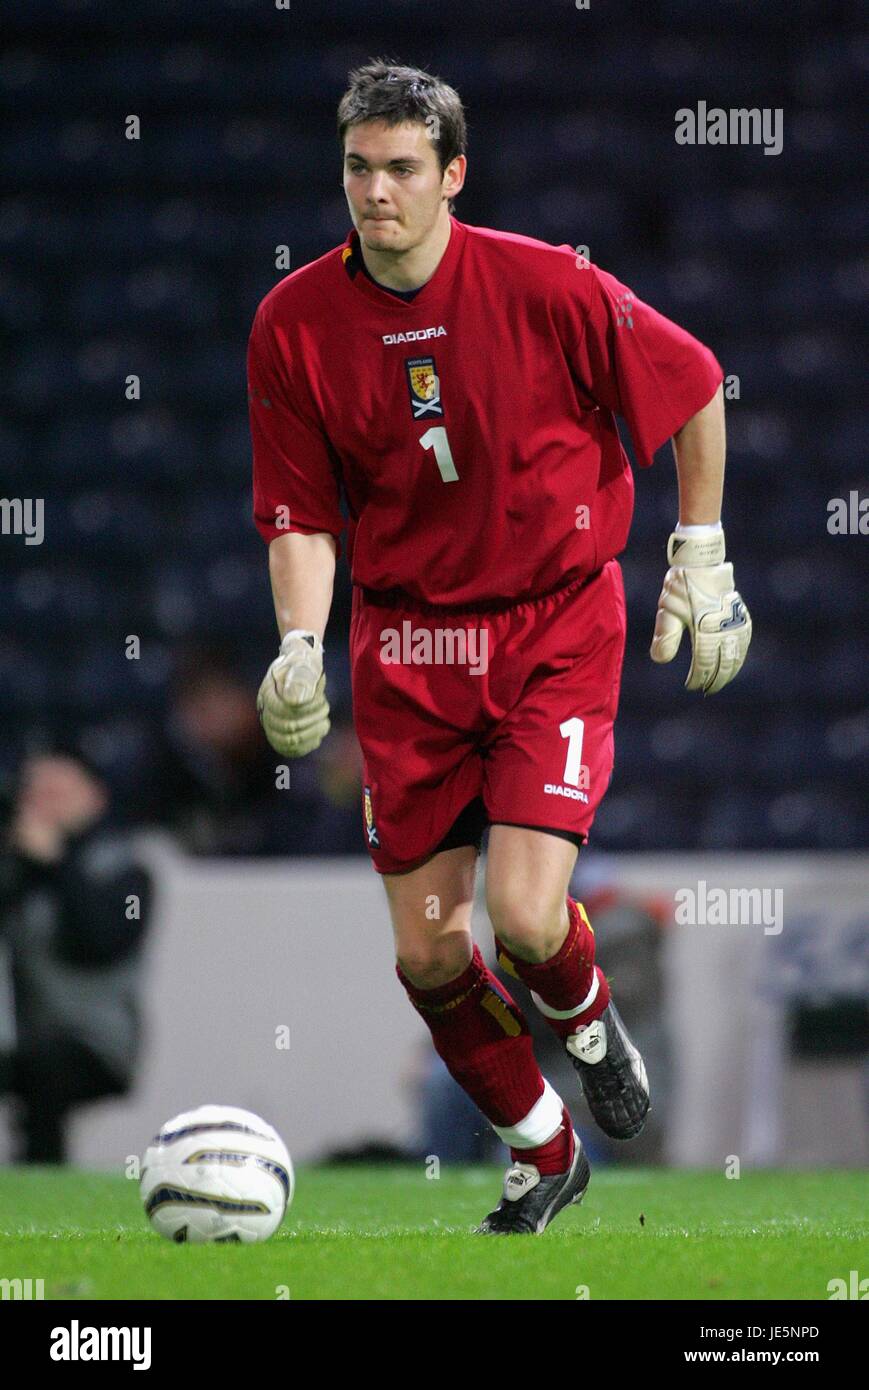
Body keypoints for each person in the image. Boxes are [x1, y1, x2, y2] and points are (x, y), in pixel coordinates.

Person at [247, 59, 751, 1233]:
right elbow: (300, 514)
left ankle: (584, 1022)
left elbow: (690, 390)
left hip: (551, 621)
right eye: (358, 169)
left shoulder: (548, 284)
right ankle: (543, 1145)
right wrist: (294, 643)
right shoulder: (291, 324)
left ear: (452, 175)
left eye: (401, 170)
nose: (375, 193)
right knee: (428, 956)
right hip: (405, 645)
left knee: (524, 920)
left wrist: (702, 552)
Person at [0, 751, 151, 1162]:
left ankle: (41, 1172)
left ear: (95, 797)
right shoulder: (15, 870)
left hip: (94, 1040)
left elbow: (98, 942)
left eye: (59, 791)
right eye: (36, 792)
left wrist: (55, 863)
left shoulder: (126, 871)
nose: (46, 804)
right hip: (21, 1035)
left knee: (44, 1068)